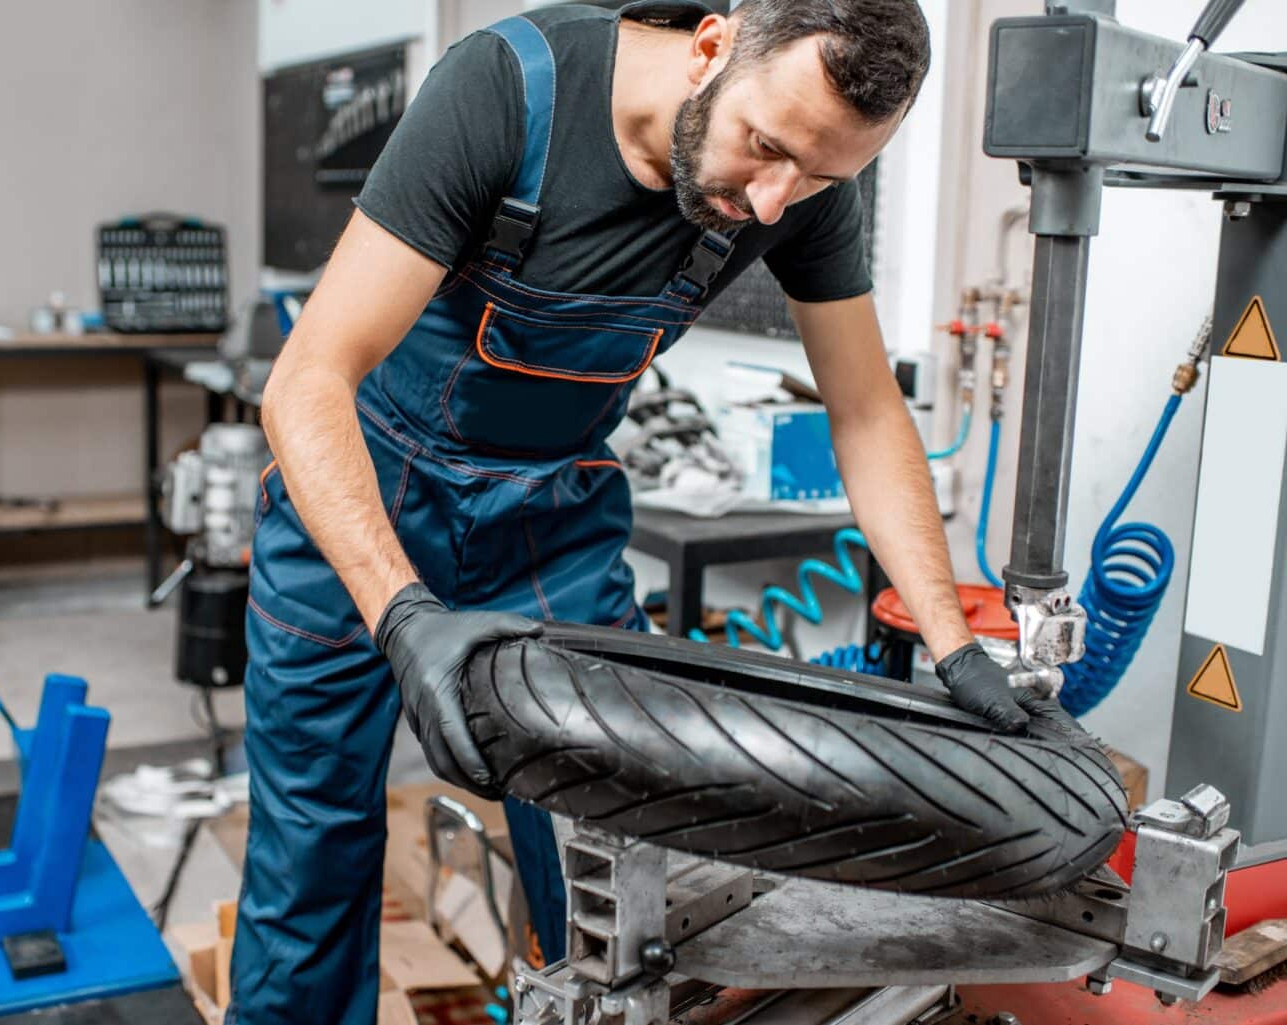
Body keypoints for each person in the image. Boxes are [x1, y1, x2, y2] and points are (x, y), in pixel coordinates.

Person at [232, 2, 1036, 1021]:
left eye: (819, 178)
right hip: (360, 498)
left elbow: (868, 411)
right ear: (711, 46)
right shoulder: (506, 94)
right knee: (311, 869)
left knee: (619, 876)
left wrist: (954, 645)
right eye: (766, 147)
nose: (775, 200)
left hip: (551, 531)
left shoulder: (799, 185)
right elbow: (306, 381)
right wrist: (401, 610)